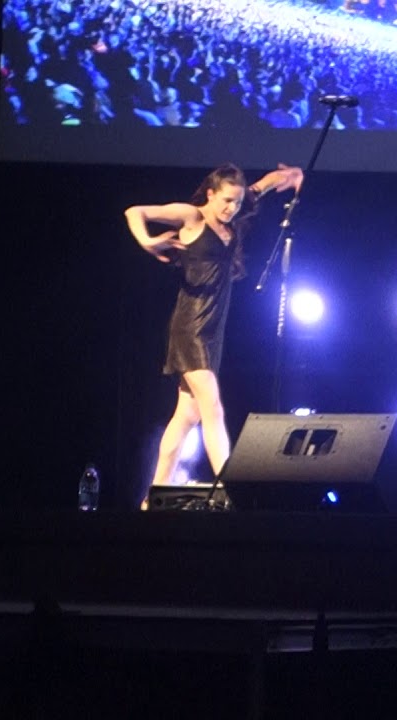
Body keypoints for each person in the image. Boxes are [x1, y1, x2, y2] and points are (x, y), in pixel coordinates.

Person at [125, 163, 303, 508]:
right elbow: (135, 212)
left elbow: (262, 186)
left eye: (236, 203)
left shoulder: (235, 209)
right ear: (210, 193)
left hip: (213, 329)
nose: (231, 209)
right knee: (213, 407)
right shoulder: (191, 217)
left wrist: (291, 175)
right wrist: (147, 242)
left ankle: (153, 495)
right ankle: (233, 489)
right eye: (225, 201)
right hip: (190, 328)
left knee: (186, 417)